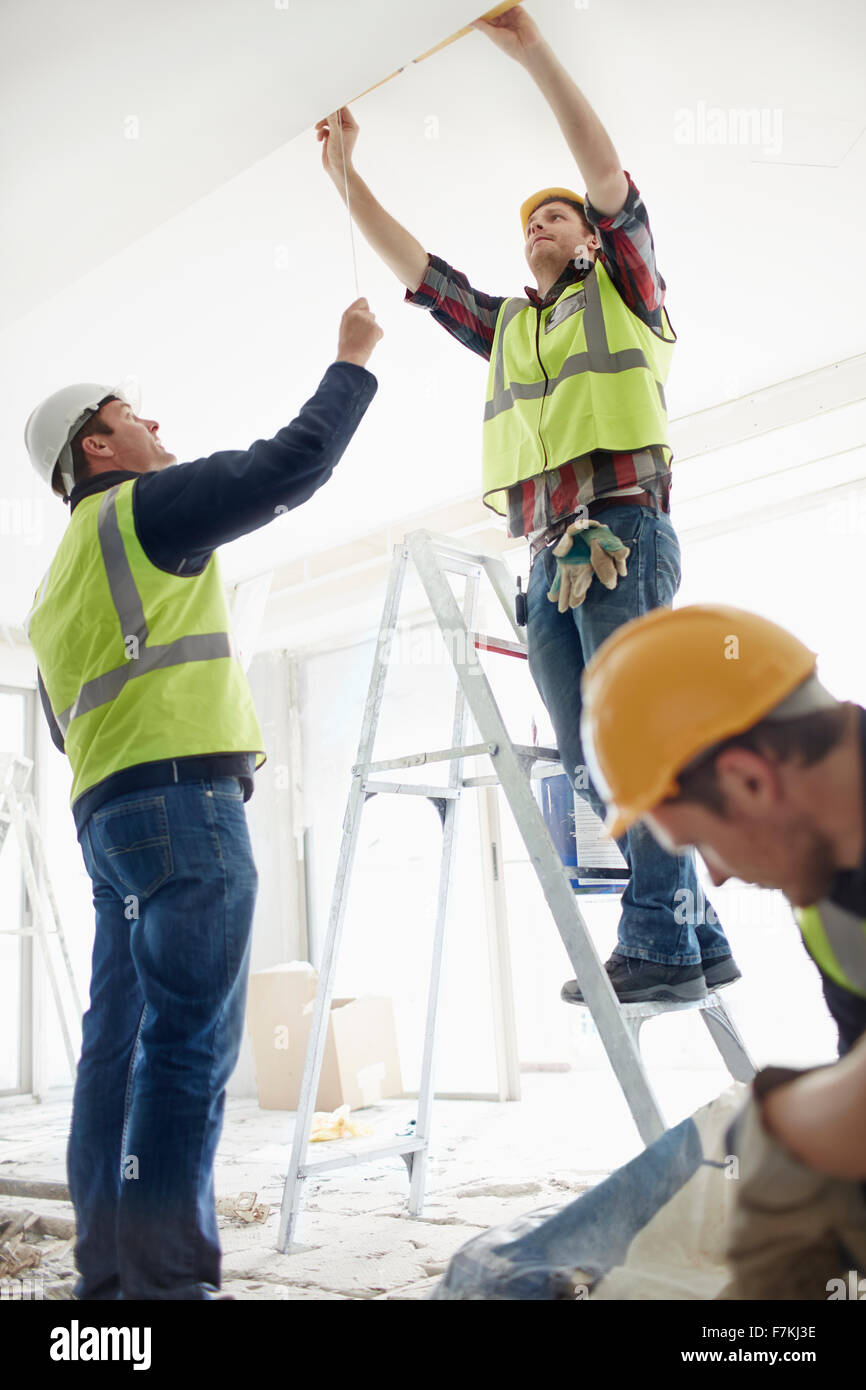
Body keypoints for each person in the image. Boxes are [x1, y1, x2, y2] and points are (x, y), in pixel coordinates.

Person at [315, 3, 736, 1005]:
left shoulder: (625, 291)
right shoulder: (507, 327)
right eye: (527, 224)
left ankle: (659, 951)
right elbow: (420, 273)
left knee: (628, 741)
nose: (538, 226)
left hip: (623, 532)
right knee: (589, 764)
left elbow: (606, 176)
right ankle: (697, 932)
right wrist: (343, 179)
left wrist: (532, 53)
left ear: (590, 242)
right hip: (546, 557)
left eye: (554, 217)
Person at [23, 297, 382, 1299]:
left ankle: (112, 1280)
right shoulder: (147, 506)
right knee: (185, 1046)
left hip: (108, 827)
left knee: (114, 1046)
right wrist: (352, 358)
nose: (160, 432)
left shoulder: (51, 589)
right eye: (141, 417)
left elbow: (65, 726)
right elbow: (289, 465)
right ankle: (168, 1286)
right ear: (97, 443)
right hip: (186, 812)